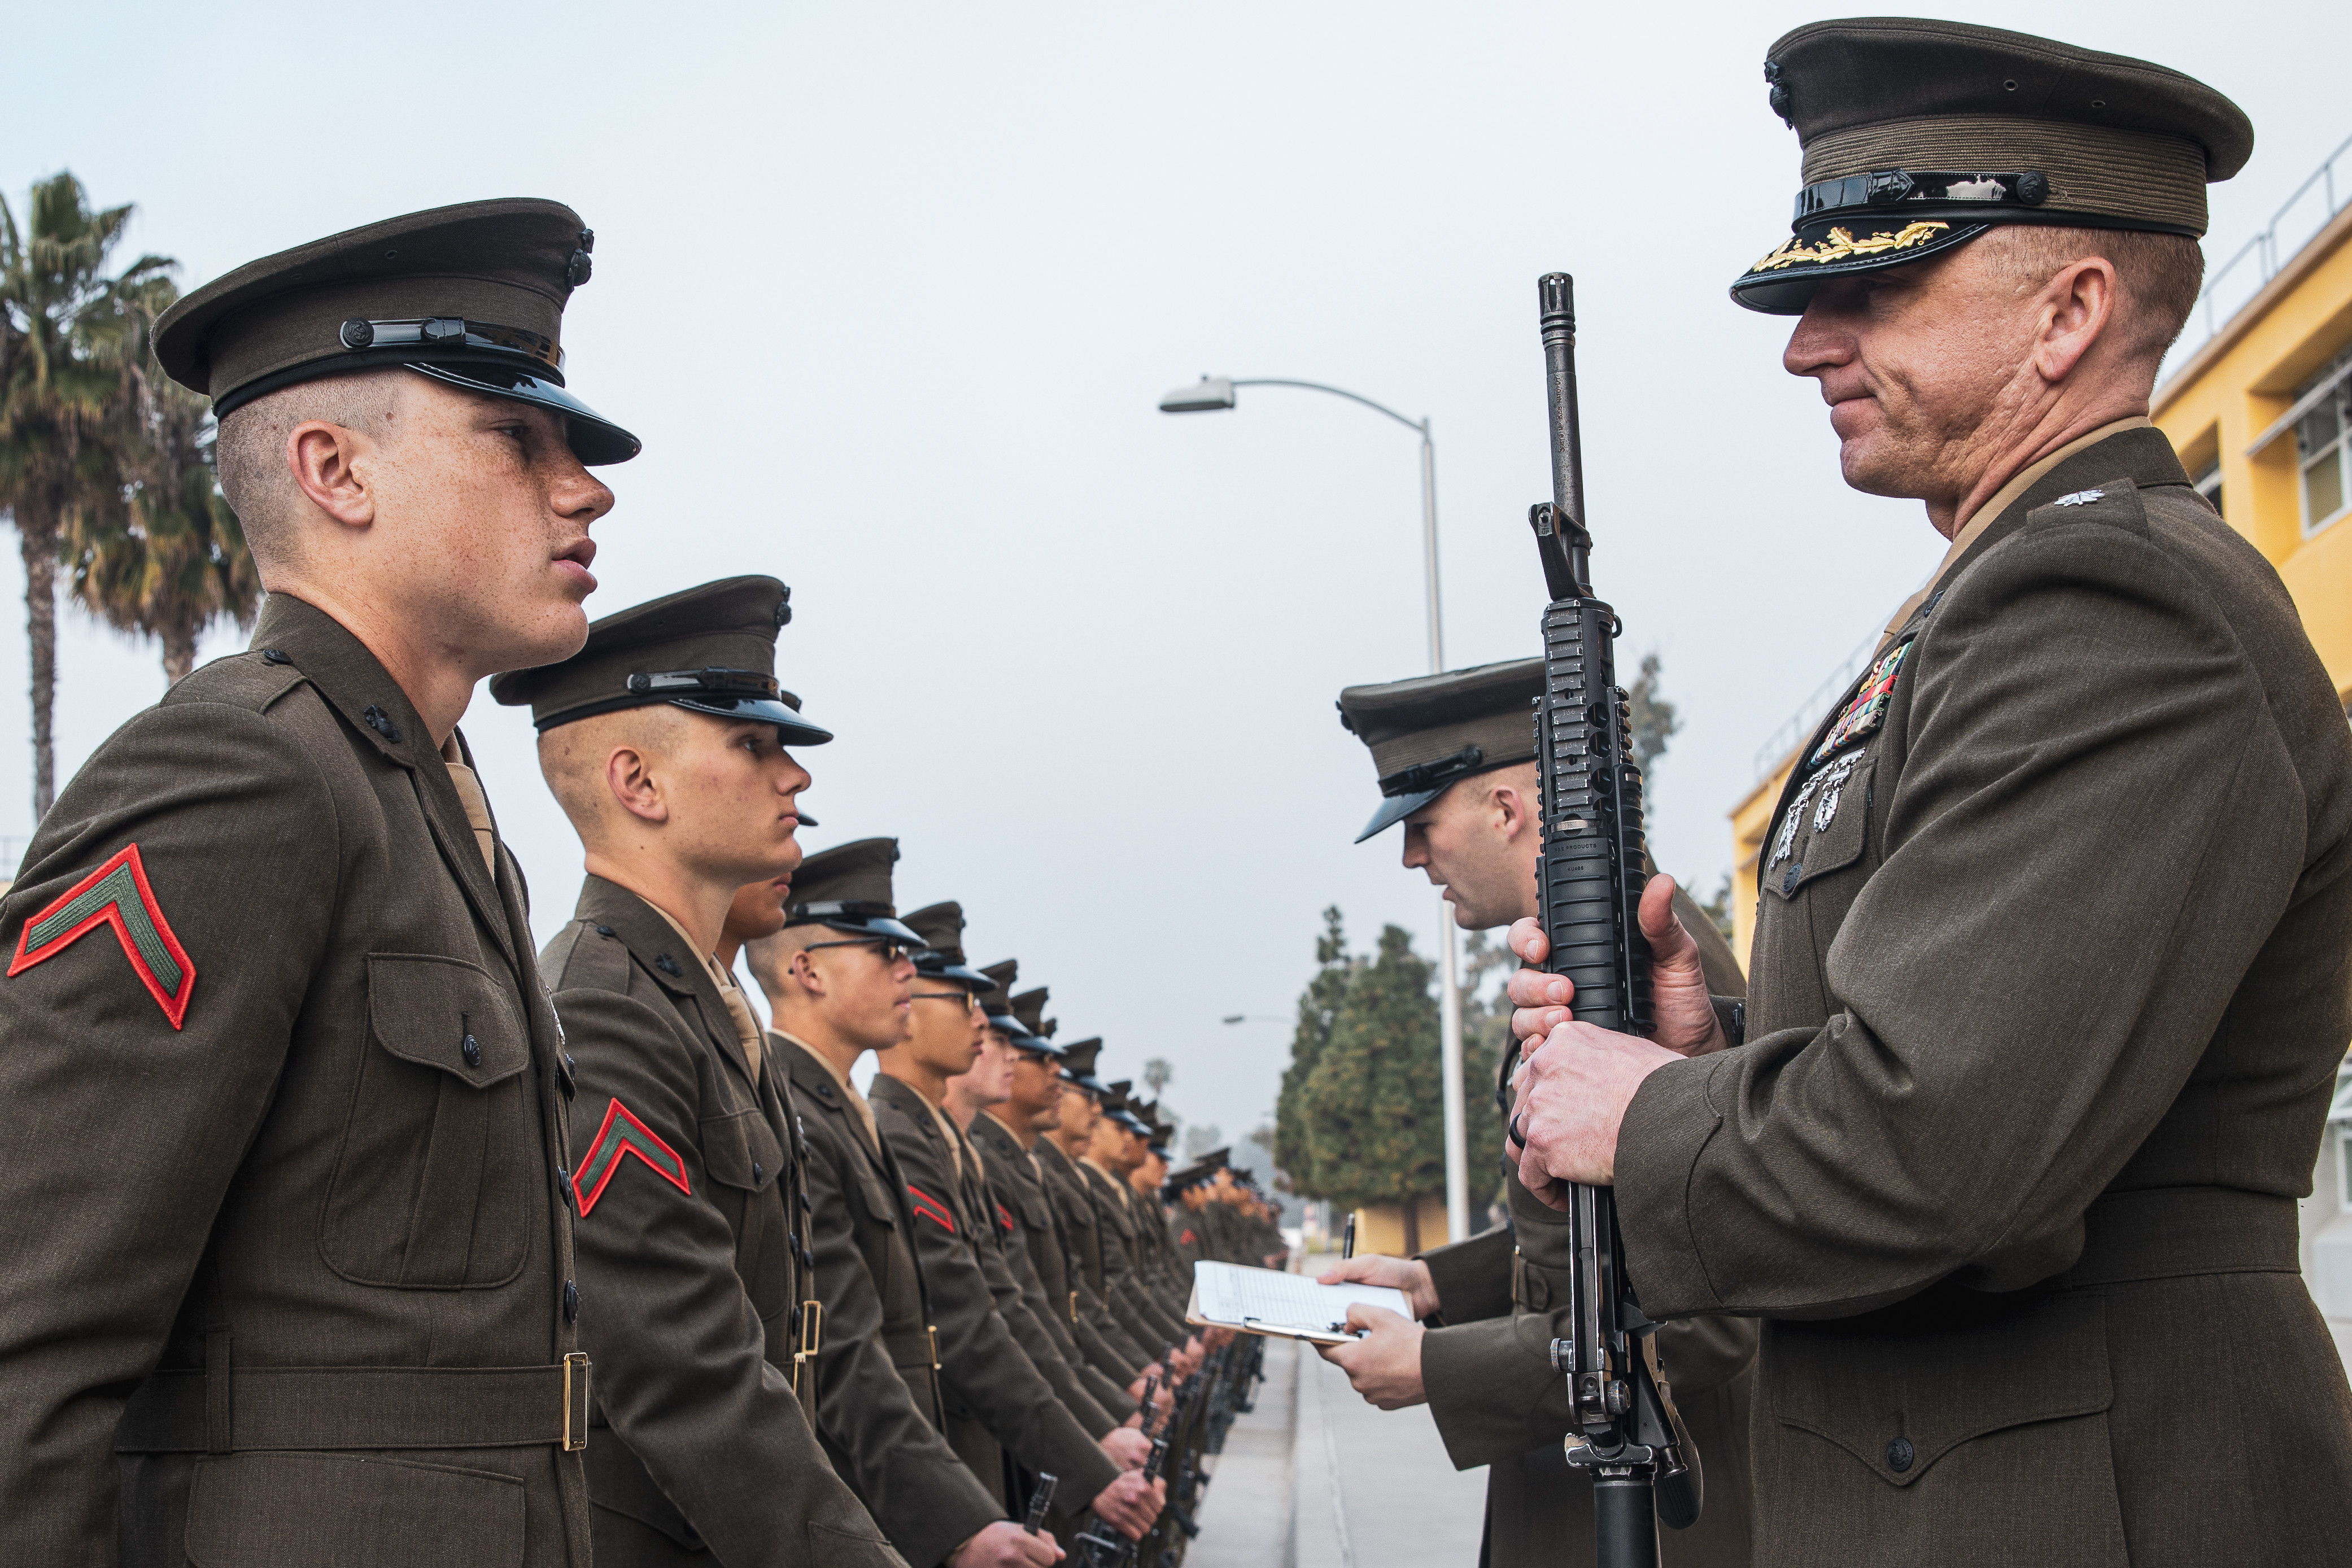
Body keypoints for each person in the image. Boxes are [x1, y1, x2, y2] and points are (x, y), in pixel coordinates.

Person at [1506, 21, 2352, 1566]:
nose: (1803, 343)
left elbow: (1947, 1158)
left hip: (2084, 1499)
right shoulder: (1989, 610)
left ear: (2068, 312)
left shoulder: (2110, 608)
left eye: (1871, 289)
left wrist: (1643, 1118)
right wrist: (1722, 1048)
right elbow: (1970, 1052)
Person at [0, 199, 629, 1562]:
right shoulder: (245, 772)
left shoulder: (434, 813)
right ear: (336, 470)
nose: (586, 486)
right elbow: (25, 1337)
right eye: (518, 440)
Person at [1320, 657, 1756, 1567]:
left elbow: (1713, 1311)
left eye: (1422, 823)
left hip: (1652, 1508)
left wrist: (1437, 1369)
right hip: (1588, 1488)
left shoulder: (1639, 966)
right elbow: (1590, 1225)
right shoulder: (1581, 950)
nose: (1411, 857)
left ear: (1507, 811)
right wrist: (1438, 1284)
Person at [496, 576, 897, 1565]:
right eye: (752, 746)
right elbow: (686, 1370)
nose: (794, 777)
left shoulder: (689, 998)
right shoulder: (603, 1005)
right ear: (640, 783)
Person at [744, 841, 1051, 1568]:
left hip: (912, 1479)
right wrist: (957, 1520)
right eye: (885, 951)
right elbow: (847, 1350)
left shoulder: (844, 1113)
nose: (906, 970)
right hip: (863, 1497)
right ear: (807, 968)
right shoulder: (798, 1115)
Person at [869, 903, 1160, 1543]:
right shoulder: (900, 1136)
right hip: (944, 1447)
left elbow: (1026, 1308)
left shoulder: (948, 1145)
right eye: (968, 1004)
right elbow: (974, 1323)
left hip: (1000, 1431)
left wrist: (1107, 1413)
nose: (981, 1024)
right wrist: (1095, 1438)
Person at [966, 979, 1155, 1414]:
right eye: (1042, 1057)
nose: (1054, 1071)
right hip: (1026, 1394)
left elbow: (1077, 1295)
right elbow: (1018, 1306)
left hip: (1061, 1375)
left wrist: (1138, 1368)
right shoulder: (994, 1163)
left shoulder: (1033, 1168)